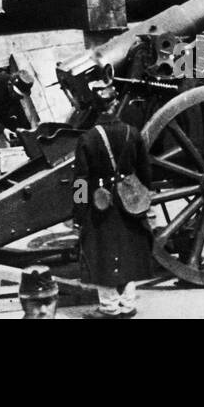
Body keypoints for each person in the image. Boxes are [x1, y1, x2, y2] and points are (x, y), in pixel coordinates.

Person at [71, 71, 155, 318]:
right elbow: (145, 173)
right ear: (116, 103)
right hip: (129, 200)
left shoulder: (87, 138)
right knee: (130, 249)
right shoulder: (133, 132)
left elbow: (80, 181)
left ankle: (108, 306)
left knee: (101, 252)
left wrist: (78, 214)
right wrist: (142, 197)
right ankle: (128, 305)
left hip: (101, 204)